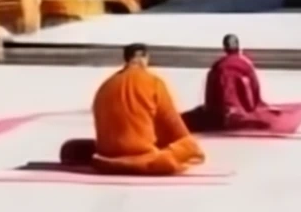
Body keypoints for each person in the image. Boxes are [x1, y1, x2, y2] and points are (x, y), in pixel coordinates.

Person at [60, 43, 205, 175]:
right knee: (190, 147)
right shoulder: (154, 83)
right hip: (144, 159)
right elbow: (175, 128)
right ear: (145, 58)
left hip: (106, 160)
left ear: (126, 59)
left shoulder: (105, 86)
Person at [183, 34, 281, 131]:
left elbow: (209, 95)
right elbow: (255, 90)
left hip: (219, 113)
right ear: (238, 46)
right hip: (242, 112)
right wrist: (259, 107)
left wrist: (209, 110)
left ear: (225, 48)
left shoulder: (218, 66)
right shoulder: (246, 65)